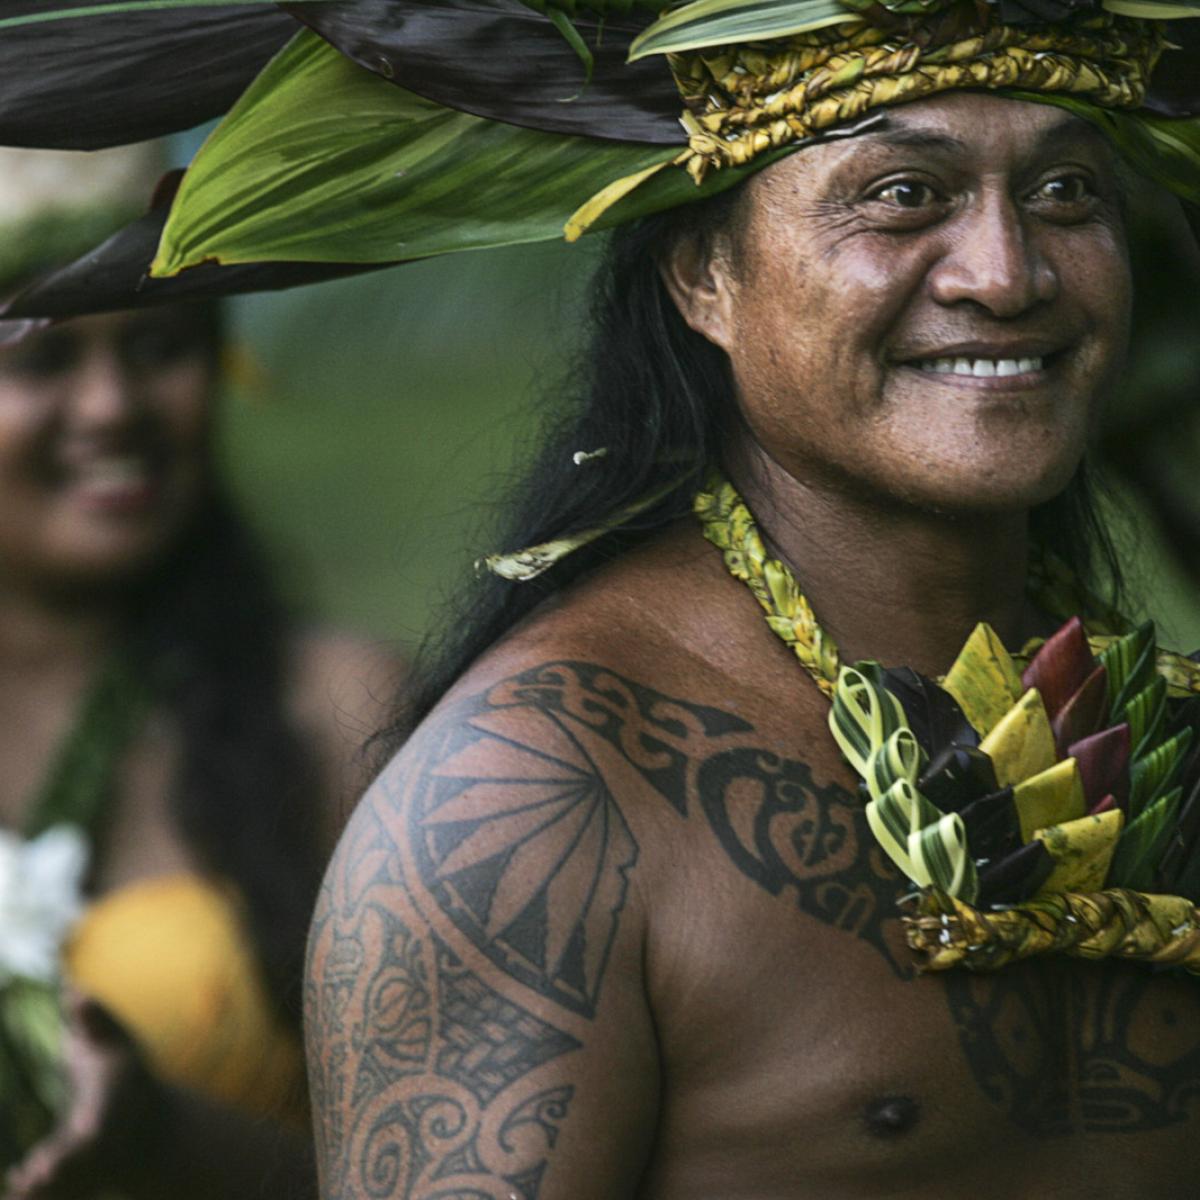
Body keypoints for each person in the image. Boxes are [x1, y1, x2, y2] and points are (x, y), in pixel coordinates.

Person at [2, 3, 1200, 1197]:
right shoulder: (536, 802)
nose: (1007, 273)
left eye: (1067, 193)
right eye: (902, 193)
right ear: (703, 276)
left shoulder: (1152, 725)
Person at [0, 144, 398, 1199]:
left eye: (159, 347)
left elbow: (484, 1167)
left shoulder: (342, 713)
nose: (110, 408)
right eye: (42, 360)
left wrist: (171, 1146)